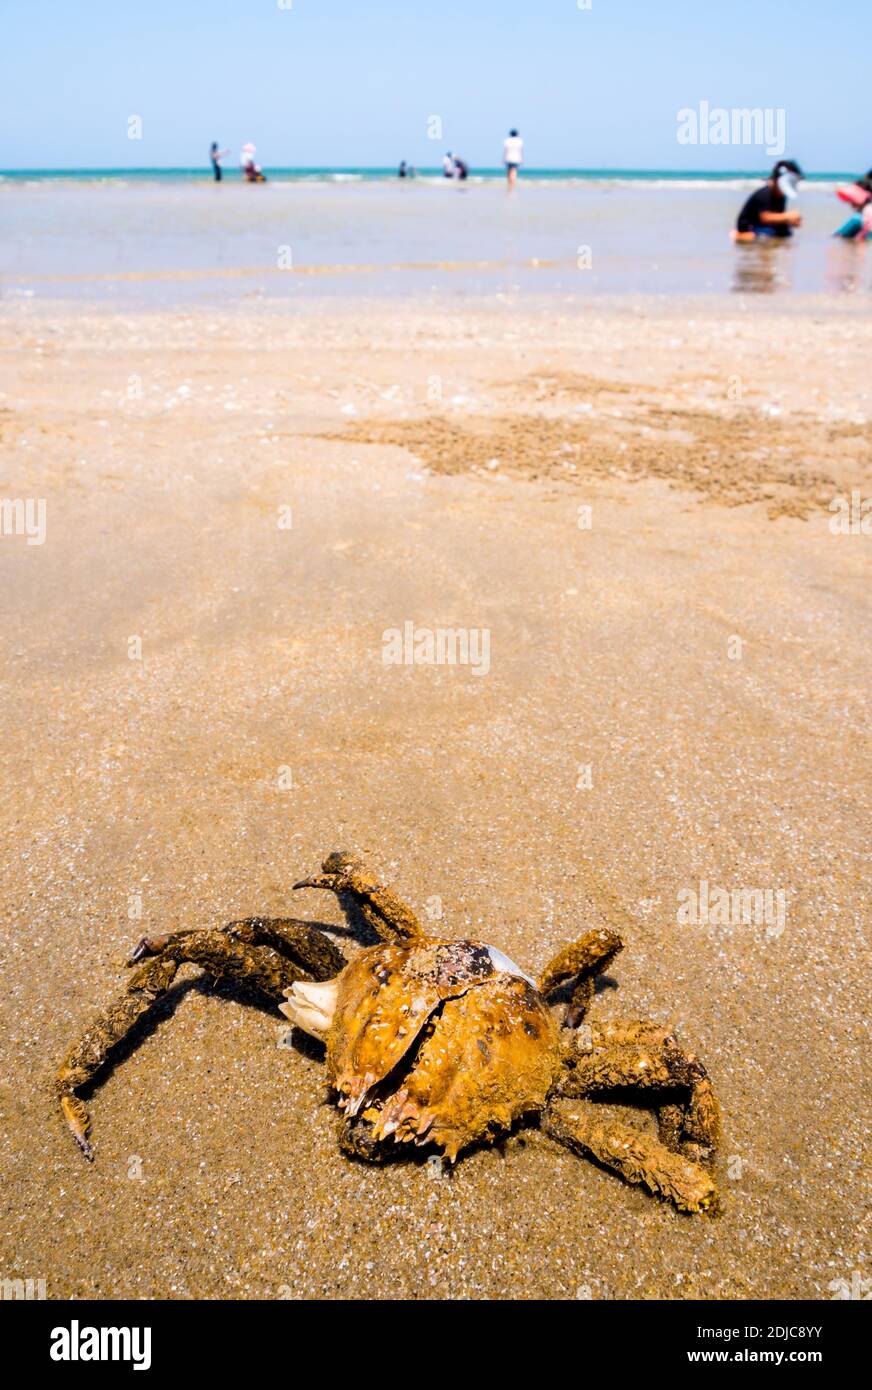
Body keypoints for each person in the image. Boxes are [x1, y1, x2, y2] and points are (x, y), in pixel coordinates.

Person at [734, 160, 803, 240]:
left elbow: (779, 215)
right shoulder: (765, 193)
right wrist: (787, 216)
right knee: (765, 237)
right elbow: (765, 217)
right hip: (749, 225)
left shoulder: (781, 195)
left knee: (786, 232)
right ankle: (739, 235)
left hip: (763, 224)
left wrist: (792, 221)